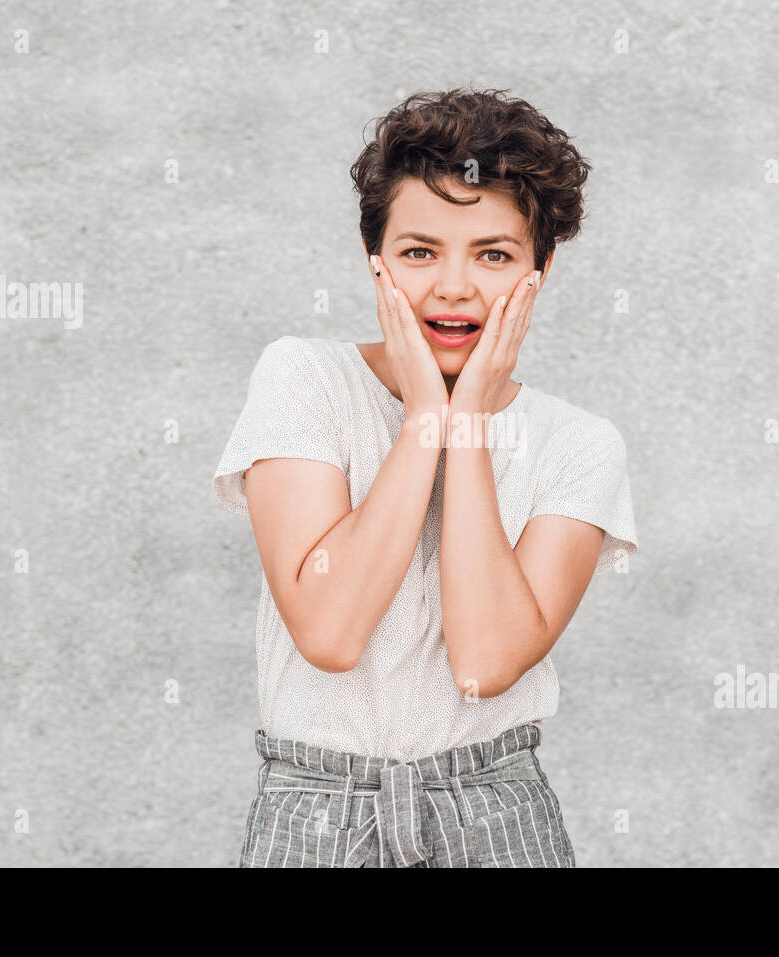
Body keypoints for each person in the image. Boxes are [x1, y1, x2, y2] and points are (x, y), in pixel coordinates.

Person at [213, 88, 638, 867]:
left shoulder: (580, 444)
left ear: (540, 270)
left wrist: (467, 418)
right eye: (419, 252)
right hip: (315, 814)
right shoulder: (304, 379)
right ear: (375, 264)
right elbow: (331, 631)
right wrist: (423, 421)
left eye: (494, 255)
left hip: (495, 814)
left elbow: (483, 663)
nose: (452, 286)